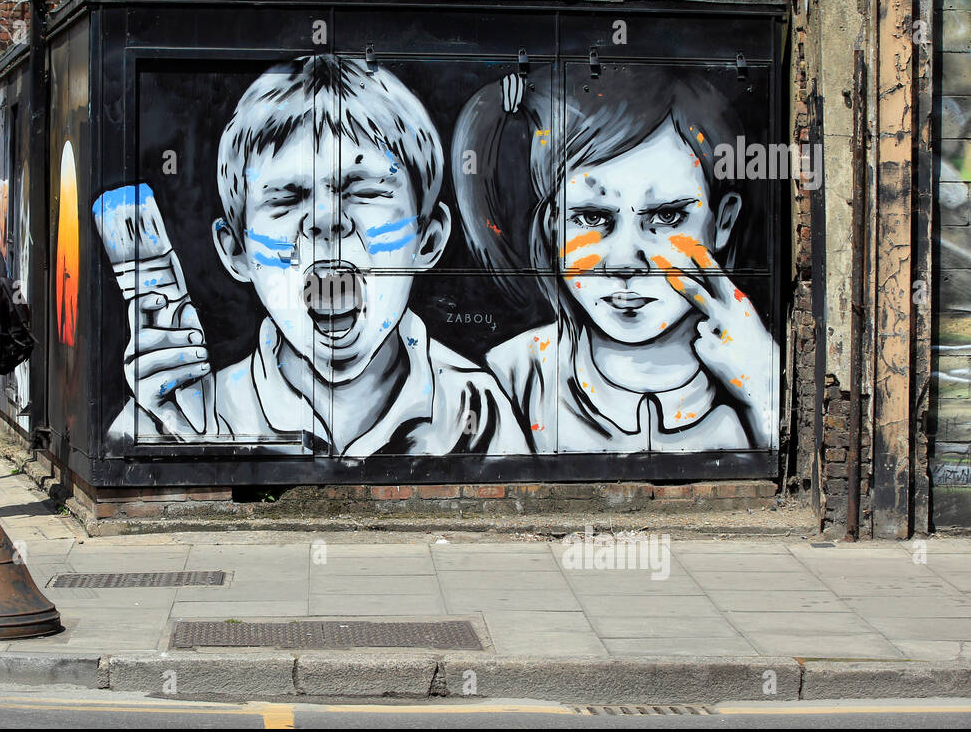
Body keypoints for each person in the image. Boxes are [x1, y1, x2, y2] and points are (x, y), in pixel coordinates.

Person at [101, 54, 527, 456]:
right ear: (237, 251)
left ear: (428, 241)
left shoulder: (475, 410)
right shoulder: (200, 410)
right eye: (288, 197)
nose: (326, 220)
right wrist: (154, 421)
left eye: (364, 190)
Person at [451, 69, 777, 453]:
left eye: (667, 217)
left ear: (722, 221)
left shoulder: (755, 378)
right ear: (554, 226)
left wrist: (763, 390)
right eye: (592, 218)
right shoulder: (510, 379)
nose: (625, 262)